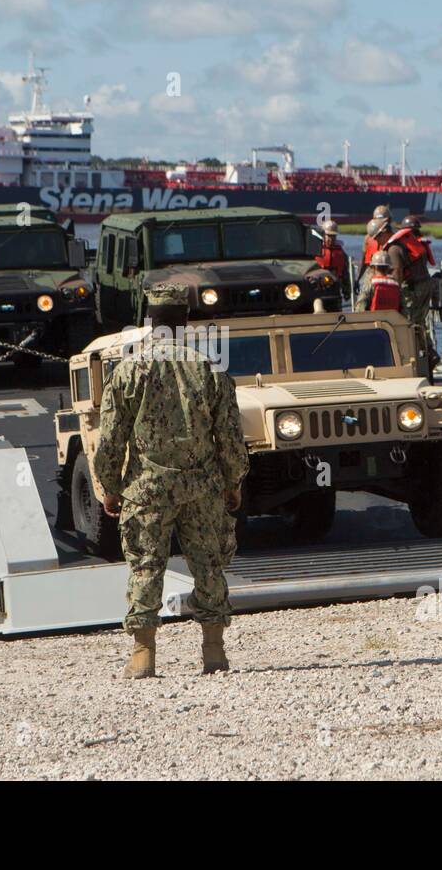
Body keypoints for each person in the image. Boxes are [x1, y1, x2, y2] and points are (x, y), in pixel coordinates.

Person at [94, 282, 249, 678]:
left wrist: (109, 486)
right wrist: (234, 480)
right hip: (203, 487)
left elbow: (110, 437)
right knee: (209, 566)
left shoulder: (128, 370)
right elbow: (230, 435)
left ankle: (143, 655)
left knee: (145, 567)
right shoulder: (210, 369)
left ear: (149, 322)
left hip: (147, 489)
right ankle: (214, 653)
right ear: (185, 322)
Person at [388, 215, 437, 361]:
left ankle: (414, 354)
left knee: (408, 322)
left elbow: (397, 273)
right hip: (426, 285)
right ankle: (429, 352)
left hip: (413, 288)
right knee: (420, 321)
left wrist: (394, 292)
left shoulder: (396, 248)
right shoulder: (419, 244)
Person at [316, 220, 350, 298]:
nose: (331, 239)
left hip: (335, 287)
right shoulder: (316, 250)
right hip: (318, 289)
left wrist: (347, 290)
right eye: (329, 236)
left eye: (333, 236)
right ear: (323, 235)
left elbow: (345, 273)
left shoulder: (341, 253)